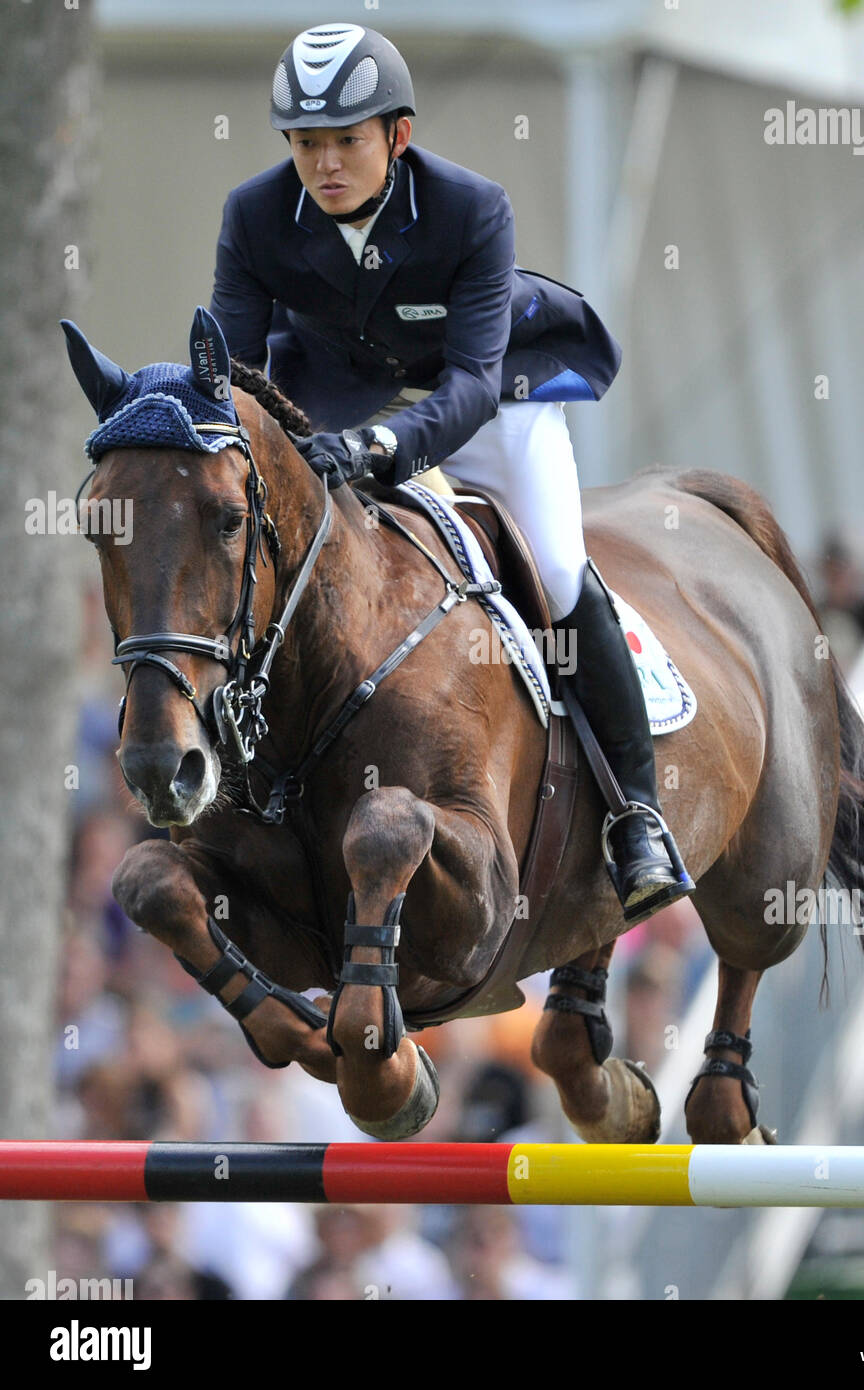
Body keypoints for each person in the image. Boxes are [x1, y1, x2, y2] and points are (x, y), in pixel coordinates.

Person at [208, 22, 691, 922]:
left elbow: (470, 382)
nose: (324, 164)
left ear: (398, 135)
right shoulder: (254, 215)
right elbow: (234, 377)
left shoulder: (472, 209)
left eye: (346, 140)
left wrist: (379, 450)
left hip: (487, 406)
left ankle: (636, 816)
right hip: (336, 403)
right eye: (305, 143)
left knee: (555, 569)